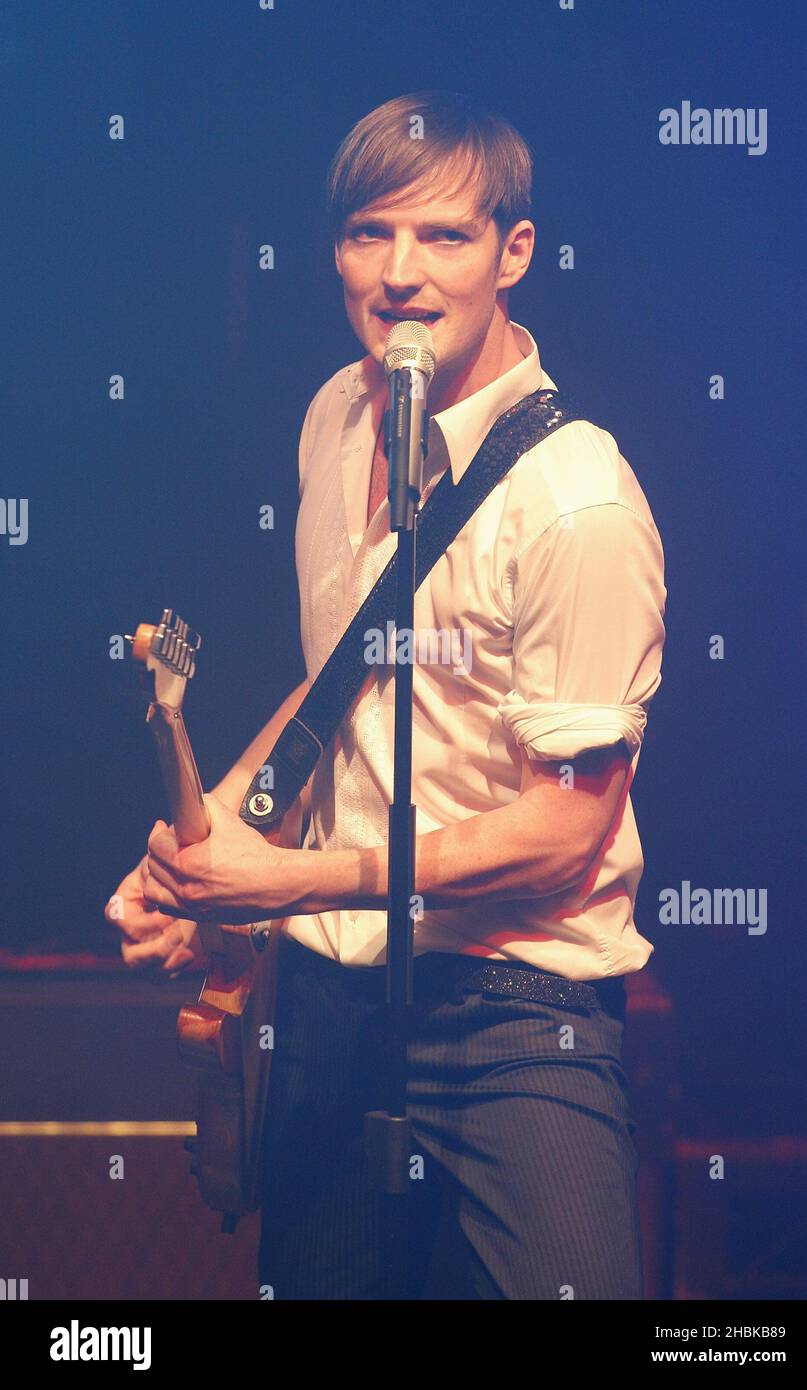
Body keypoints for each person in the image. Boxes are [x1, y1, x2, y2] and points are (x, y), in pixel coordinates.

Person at [107, 90, 667, 1300]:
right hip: (325, 998)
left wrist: (289, 876)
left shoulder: (578, 503)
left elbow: (566, 830)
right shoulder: (335, 414)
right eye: (369, 233)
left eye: (444, 237)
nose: (400, 273)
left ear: (514, 252)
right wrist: (213, 852)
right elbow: (341, 676)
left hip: (514, 1005)